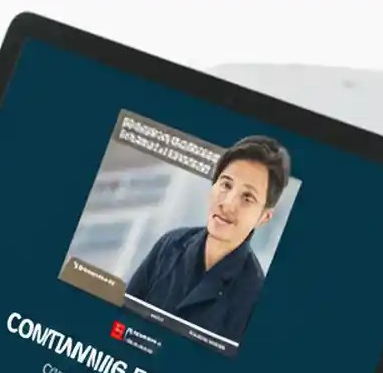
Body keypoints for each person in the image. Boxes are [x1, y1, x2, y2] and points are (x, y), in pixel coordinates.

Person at [124, 135, 290, 344]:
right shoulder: (170, 244)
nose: (227, 204)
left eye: (247, 197)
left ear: (263, 217)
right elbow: (122, 315)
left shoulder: (254, 299)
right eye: (226, 185)